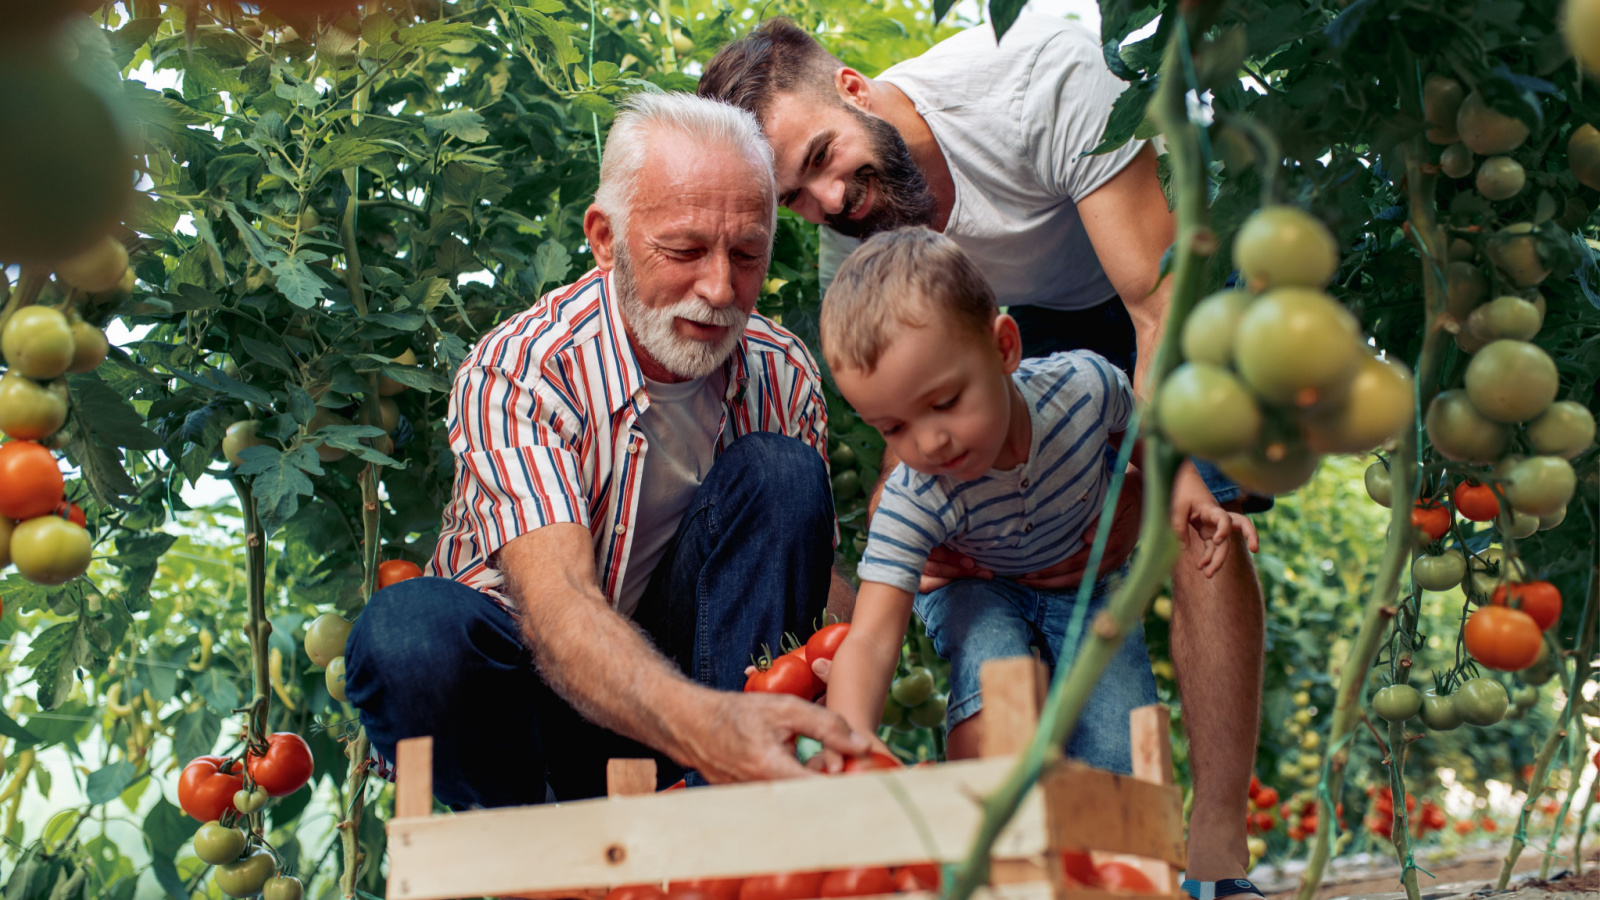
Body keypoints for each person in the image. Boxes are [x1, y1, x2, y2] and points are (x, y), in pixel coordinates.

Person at [701, 18, 1268, 899]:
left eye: (822, 157)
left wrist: (1146, 485)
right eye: (797, 200)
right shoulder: (856, 236)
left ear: (853, 87)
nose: (829, 201)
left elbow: (1156, 317)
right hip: (999, 322)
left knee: (1205, 522)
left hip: (1153, 275)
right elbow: (896, 418)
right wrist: (888, 585)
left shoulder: (1038, 81)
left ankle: (1220, 850)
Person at [344, 92, 870, 808]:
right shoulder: (523, 368)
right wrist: (710, 726)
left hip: (698, 696)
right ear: (604, 238)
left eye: (747, 254)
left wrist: (863, 642)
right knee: (407, 635)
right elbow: (559, 607)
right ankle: (539, 860)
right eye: (683, 251)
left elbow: (803, 586)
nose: (719, 289)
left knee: (782, 474)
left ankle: (728, 819)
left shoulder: (781, 371)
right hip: (535, 703)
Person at [817, 227, 1245, 773]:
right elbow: (873, 641)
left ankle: (1121, 853)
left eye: (946, 402)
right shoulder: (914, 497)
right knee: (993, 672)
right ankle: (986, 821)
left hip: (1082, 586)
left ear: (1004, 348)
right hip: (977, 587)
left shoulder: (1084, 387)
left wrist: (1190, 492)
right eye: (893, 427)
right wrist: (849, 738)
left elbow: (1145, 438)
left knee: (1119, 748)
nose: (928, 442)